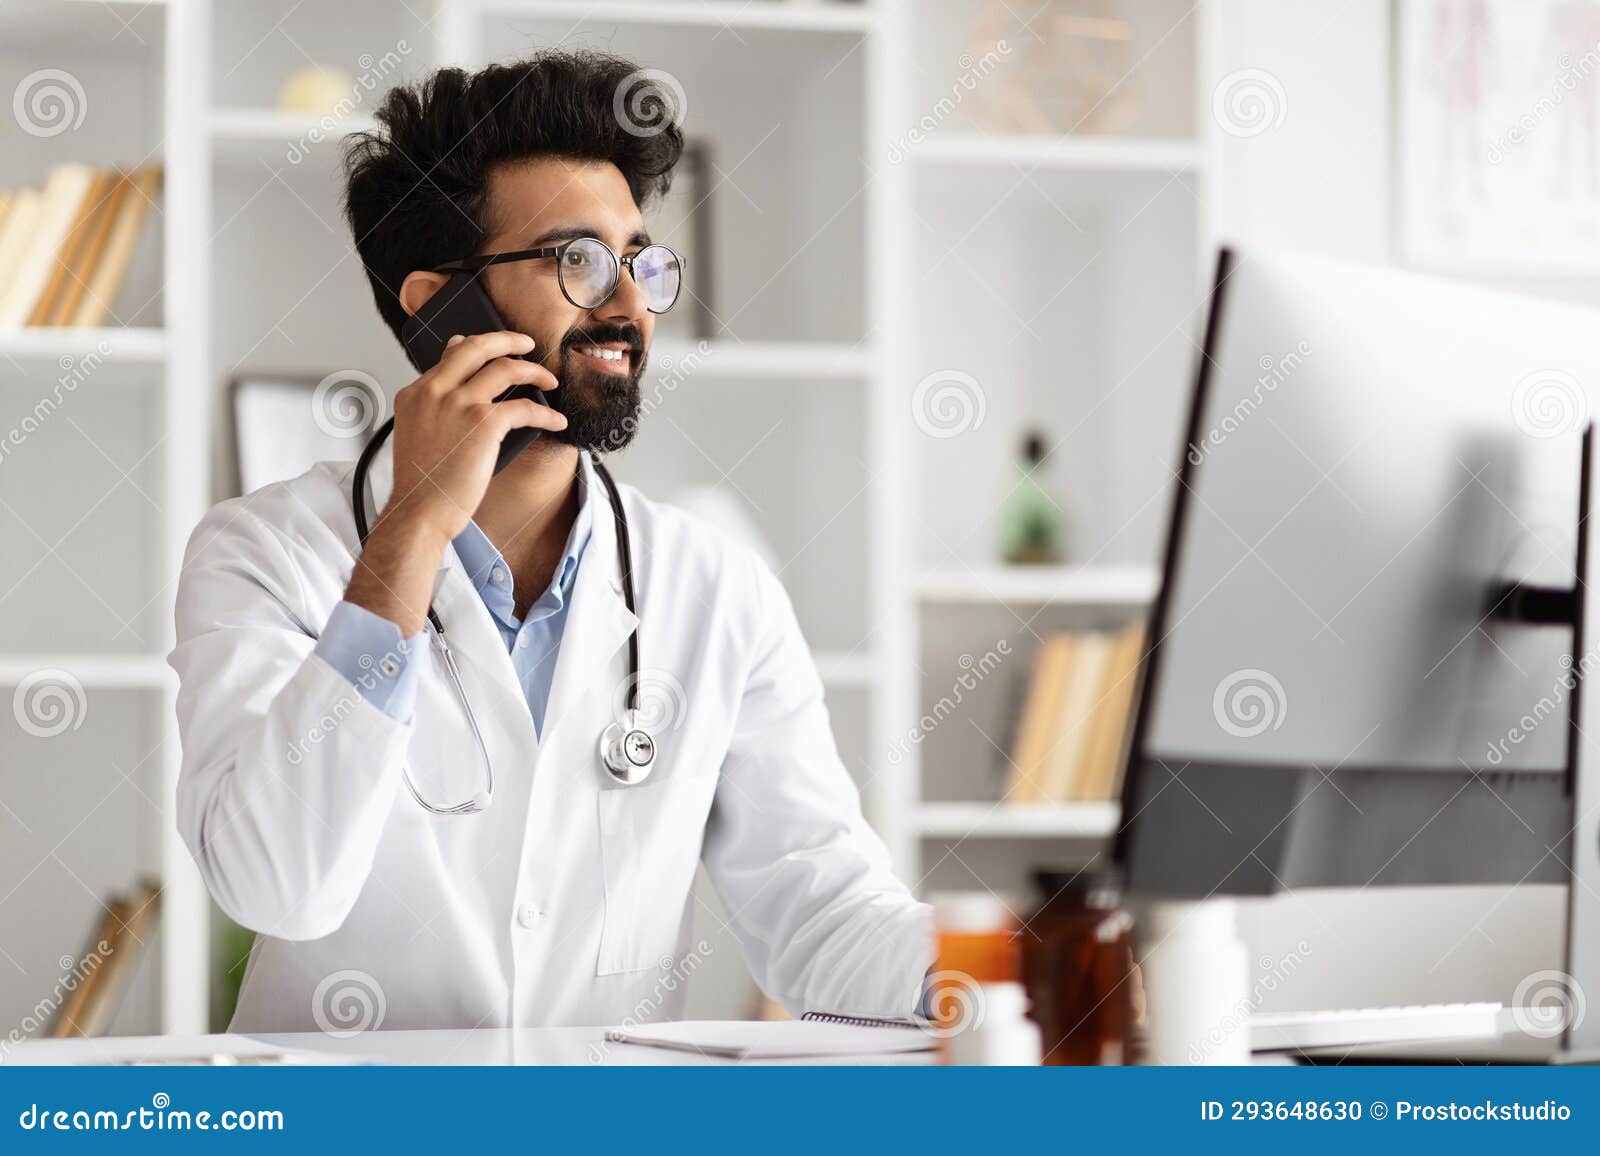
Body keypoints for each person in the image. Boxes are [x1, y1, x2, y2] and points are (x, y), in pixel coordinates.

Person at [169, 51, 931, 1032]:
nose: (627, 307)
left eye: (640, 261)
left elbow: (821, 913)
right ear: (440, 304)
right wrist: (408, 534)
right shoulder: (262, 554)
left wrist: (998, 966)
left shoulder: (713, 585)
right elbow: (277, 884)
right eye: (578, 261)